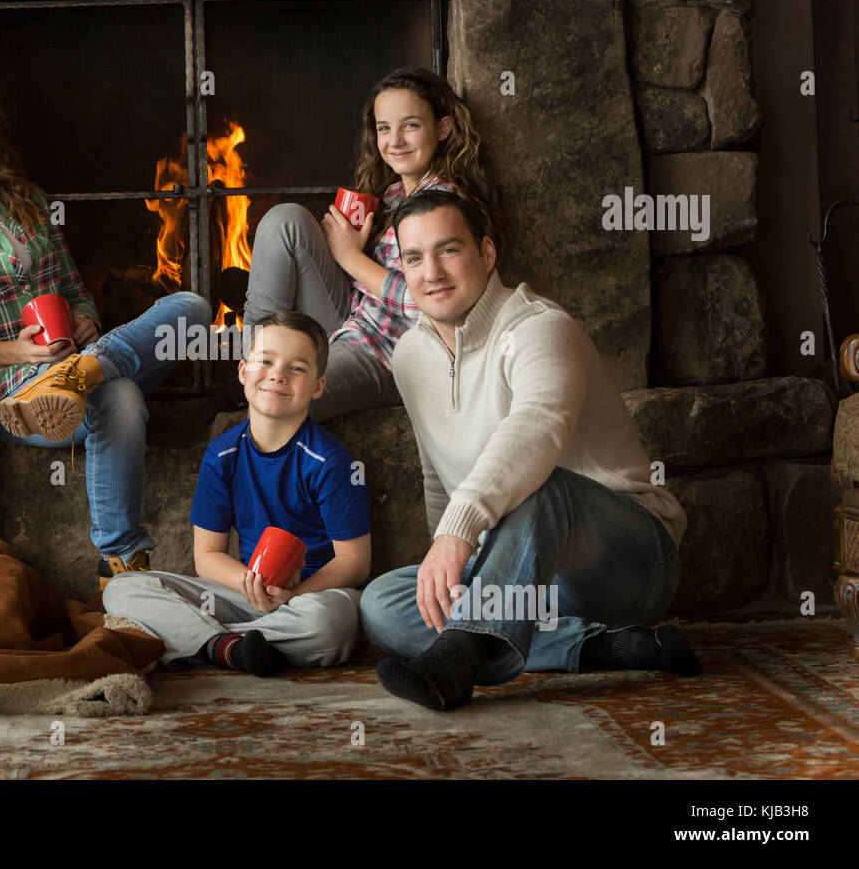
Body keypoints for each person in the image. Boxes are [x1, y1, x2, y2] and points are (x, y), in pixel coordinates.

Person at [360, 190, 699, 712]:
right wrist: (446, 560)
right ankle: (600, 647)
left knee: (543, 484)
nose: (431, 272)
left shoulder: (541, 328)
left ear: (487, 254)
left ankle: (458, 657)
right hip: (520, 576)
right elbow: (435, 473)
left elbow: (536, 429)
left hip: (627, 563)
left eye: (448, 250)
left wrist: (458, 532)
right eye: (413, 258)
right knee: (381, 605)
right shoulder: (409, 356)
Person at [0, 68, 211, 591]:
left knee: (191, 306)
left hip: (68, 366)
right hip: (9, 396)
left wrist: (84, 322)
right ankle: (122, 569)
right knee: (119, 397)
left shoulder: (27, 199)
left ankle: (83, 371)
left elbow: (74, 288)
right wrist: (17, 352)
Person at [103, 311, 370, 675]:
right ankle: (228, 647)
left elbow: (354, 561)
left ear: (317, 387)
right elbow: (207, 556)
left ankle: (203, 641)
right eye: (266, 361)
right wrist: (250, 586)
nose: (278, 374)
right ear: (243, 371)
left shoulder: (329, 460)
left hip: (310, 597)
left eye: (297, 368)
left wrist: (295, 594)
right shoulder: (222, 454)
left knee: (332, 624)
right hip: (243, 592)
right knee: (122, 589)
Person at [238, 66, 500, 422]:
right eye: (384, 128)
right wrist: (352, 249)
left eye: (410, 125)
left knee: (289, 397)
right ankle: (252, 359)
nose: (395, 141)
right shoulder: (393, 194)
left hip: (389, 354)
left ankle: (257, 384)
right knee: (287, 221)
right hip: (354, 321)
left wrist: (348, 256)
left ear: (442, 128)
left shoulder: (444, 203)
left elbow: (427, 304)